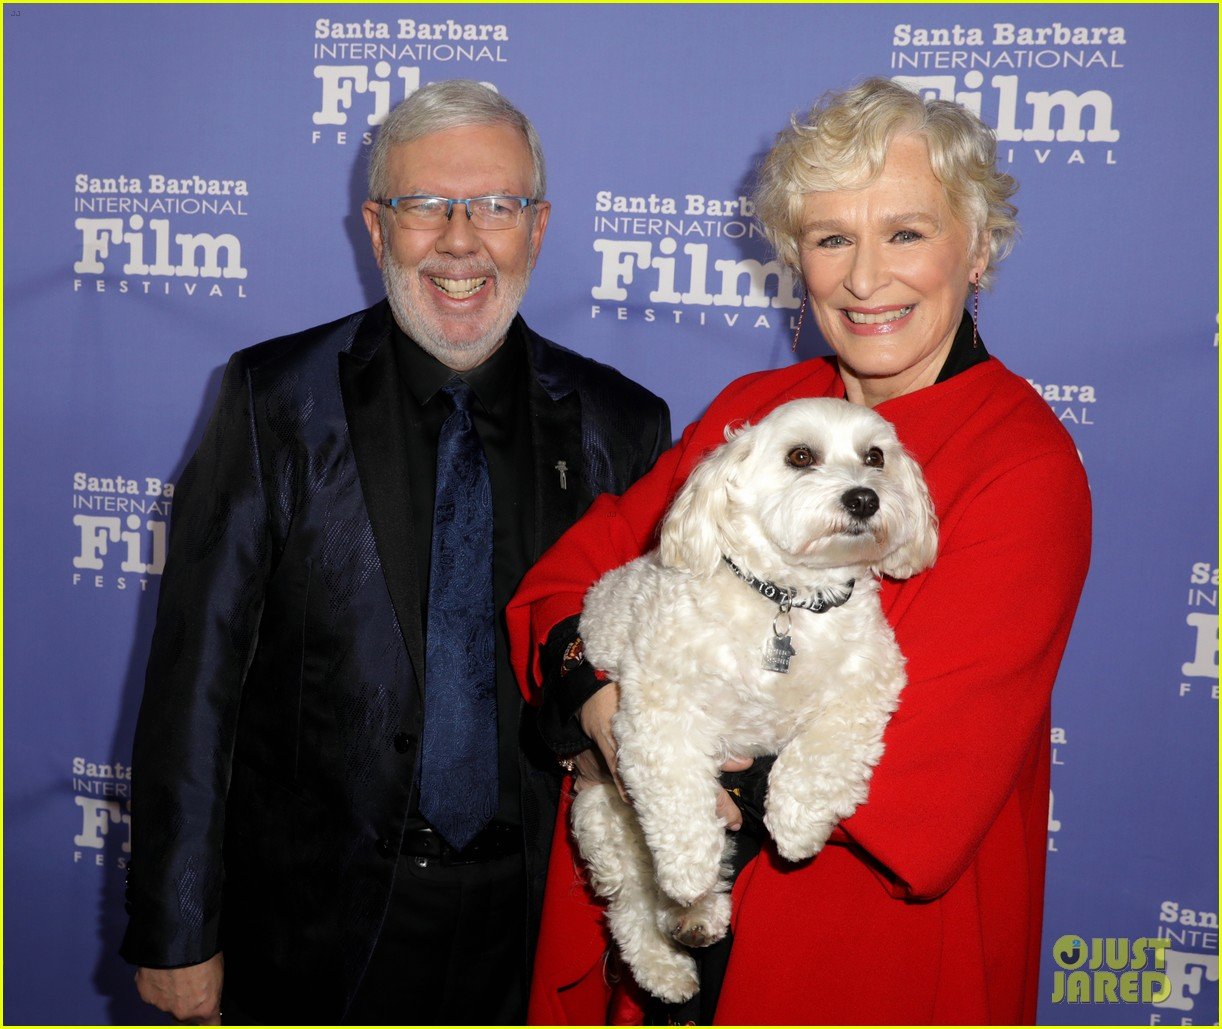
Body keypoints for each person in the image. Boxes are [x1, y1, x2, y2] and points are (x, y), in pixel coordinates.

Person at [507, 77, 1091, 1025]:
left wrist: (669, 734)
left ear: (977, 248)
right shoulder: (762, 411)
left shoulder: (1023, 463)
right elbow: (573, 577)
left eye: (905, 233)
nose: (865, 279)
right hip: (670, 941)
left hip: (858, 962)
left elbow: (919, 795)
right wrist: (604, 703)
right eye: (831, 239)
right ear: (796, 258)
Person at [120, 79, 671, 1025]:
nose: (462, 240)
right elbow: (193, 685)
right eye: (426, 206)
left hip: (539, 927)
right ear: (378, 229)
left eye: (496, 206)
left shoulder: (624, 424)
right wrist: (177, 928)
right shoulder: (272, 401)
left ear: (537, 229)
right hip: (314, 933)